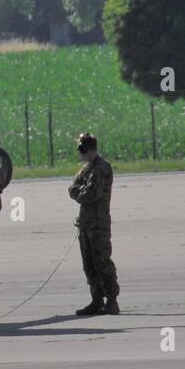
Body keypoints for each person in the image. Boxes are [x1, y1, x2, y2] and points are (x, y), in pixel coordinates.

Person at [68, 133, 119, 316]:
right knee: (88, 264)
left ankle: (112, 300)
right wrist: (80, 191)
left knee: (102, 262)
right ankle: (96, 299)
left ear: (91, 149)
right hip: (85, 223)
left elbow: (88, 194)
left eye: (83, 149)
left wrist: (80, 192)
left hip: (99, 223)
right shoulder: (85, 170)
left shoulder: (103, 168)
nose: (81, 153)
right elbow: (72, 190)